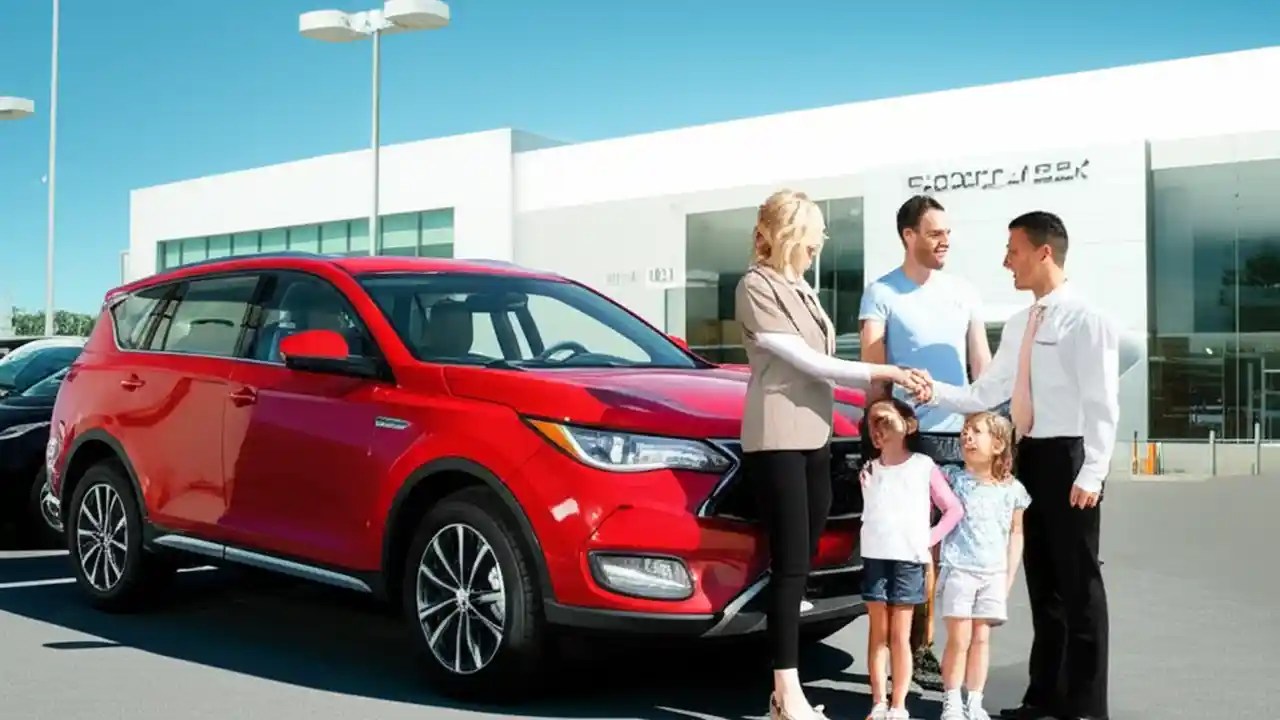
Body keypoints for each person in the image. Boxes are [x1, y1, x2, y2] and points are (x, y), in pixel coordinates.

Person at [910, 211, 1120, 720]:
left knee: (1079, 586)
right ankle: (1042, 697)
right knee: (1040, 584)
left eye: (1014, 250)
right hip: (1029, 456)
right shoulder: (1022, 322)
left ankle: (1086, 707)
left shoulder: (1087, 319)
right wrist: (934, 390)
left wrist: (1092, 472)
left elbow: (1102, 403)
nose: (1007, 261)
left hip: (1071, 459)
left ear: (1044, 252)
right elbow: (988, 391)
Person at [734, 189, 930, 720]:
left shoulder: (802, 288)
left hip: (815, 434)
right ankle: (786, 693)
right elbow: (810, 363)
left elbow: (824, 360)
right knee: (790, 567)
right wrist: (885, 373)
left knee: (804, 555)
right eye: (816, 232)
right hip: (777, 437)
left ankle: (784, 689)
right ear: (792, 234)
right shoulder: (757, 286)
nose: (822, 242)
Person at [859, 194, 992, 690]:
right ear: (908, 236)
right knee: (920, 555)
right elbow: (877, 378)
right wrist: (877, 440)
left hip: (966, 440)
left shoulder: (964, 292)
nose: (945, 241)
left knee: (964, 551)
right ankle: (920, 649)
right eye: (935, 233)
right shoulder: (881, 293)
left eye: (948, 233)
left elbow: (983, 369)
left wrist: (993, 432)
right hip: (914, 442)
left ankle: (952, 656)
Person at [857, 397, 964, 720]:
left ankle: (899, 704)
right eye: (873, 423)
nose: (880, 430)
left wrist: (927, 539)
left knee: (900, 635)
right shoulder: (870, 470)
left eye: (886, 421)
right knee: (878, 632)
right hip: (875, 555)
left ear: (909, 425)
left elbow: (953, 508)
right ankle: (878, 701)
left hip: (908, 559)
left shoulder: (923, 466)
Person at [935, 411, 1031, 720]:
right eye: (965, 431)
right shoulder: (952, 478)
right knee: (959, 638)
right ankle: (951, 700)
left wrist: (1008, 576)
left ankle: (974, 701)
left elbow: (1016, 533)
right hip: (958, 568)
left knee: (981, 638)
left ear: (999, 445)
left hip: (993, 573)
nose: (967, 436)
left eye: (976, 432)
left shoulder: (1013, 490)